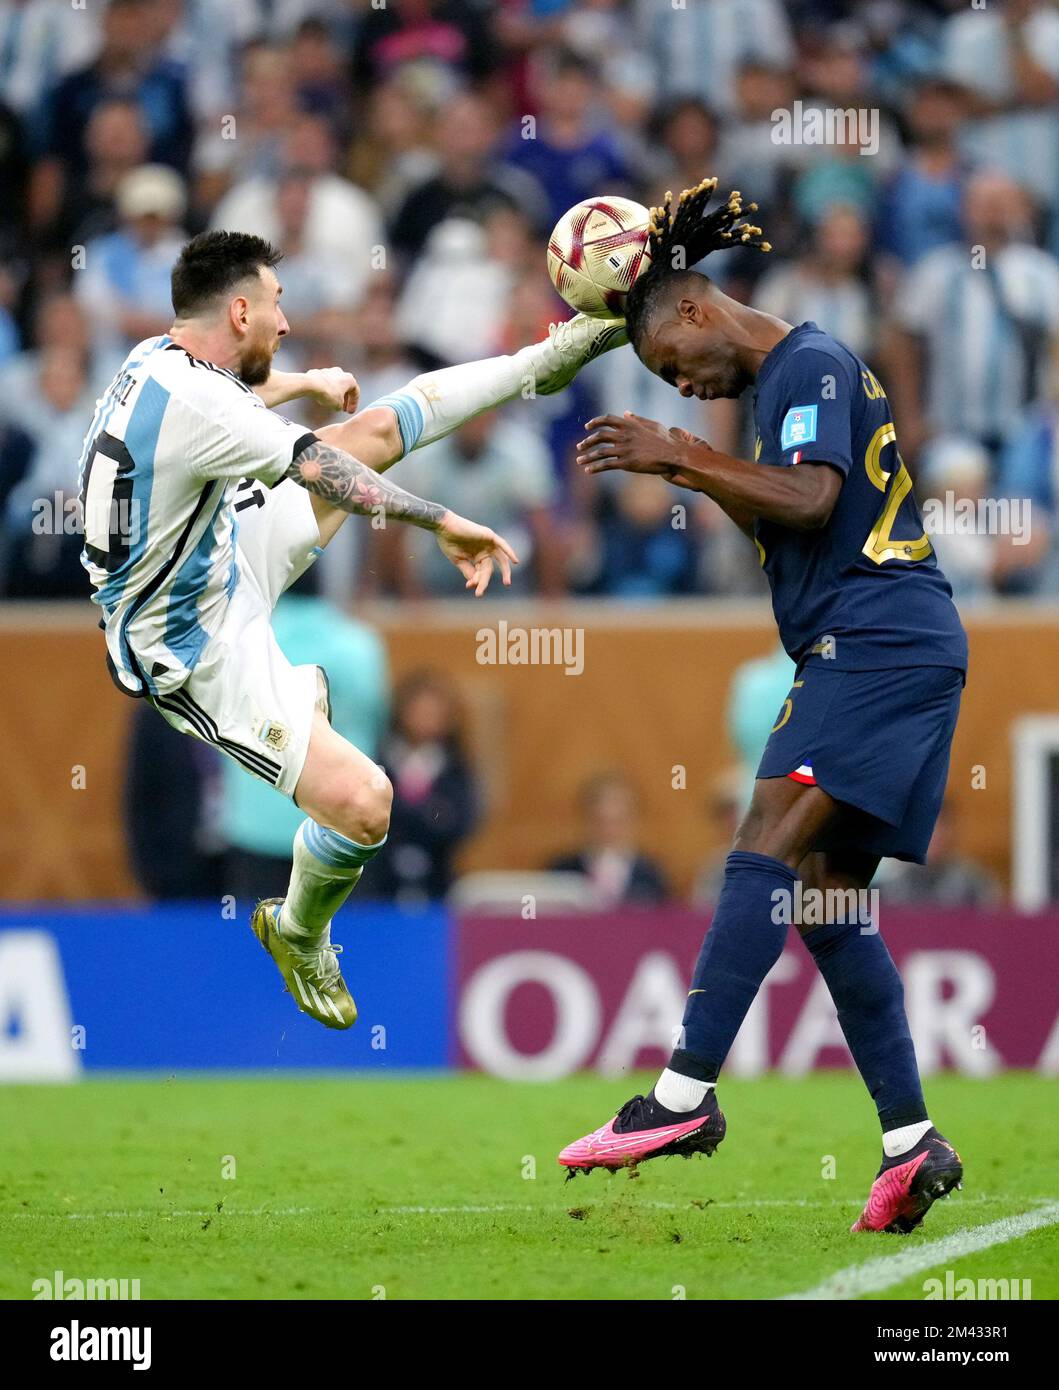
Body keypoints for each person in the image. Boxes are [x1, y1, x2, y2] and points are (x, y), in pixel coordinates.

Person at [79, 228, 626, 1031]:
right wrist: (439, 519)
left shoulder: (153, 363)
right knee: (367, 804)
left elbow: (229, 406)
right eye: (276, 305)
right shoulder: (198, 401)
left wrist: (302, 381)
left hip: (216, 556)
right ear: (238, 311)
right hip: (188, 648)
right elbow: (318, 469)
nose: (286, 321)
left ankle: (539, 362)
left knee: (367, 428)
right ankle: (297, 930)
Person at [558, 178, 968, 1238]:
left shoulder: (807, 364)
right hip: (888, 645)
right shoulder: (777, 382)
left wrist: (686, 461)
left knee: (765, 843)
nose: (683, 390)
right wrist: (702, 457)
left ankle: (683, 1100)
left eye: (671, 365)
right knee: (828, 900)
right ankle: (909, 1141)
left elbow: (816, 498)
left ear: (695, 310)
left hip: (876, 643)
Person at [549, 771, 669, 908]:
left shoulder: (651, 875)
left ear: (634, 821)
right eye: (600, 821)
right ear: (585, 819)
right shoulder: (562, 871)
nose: (609, 831)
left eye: (618, 822)